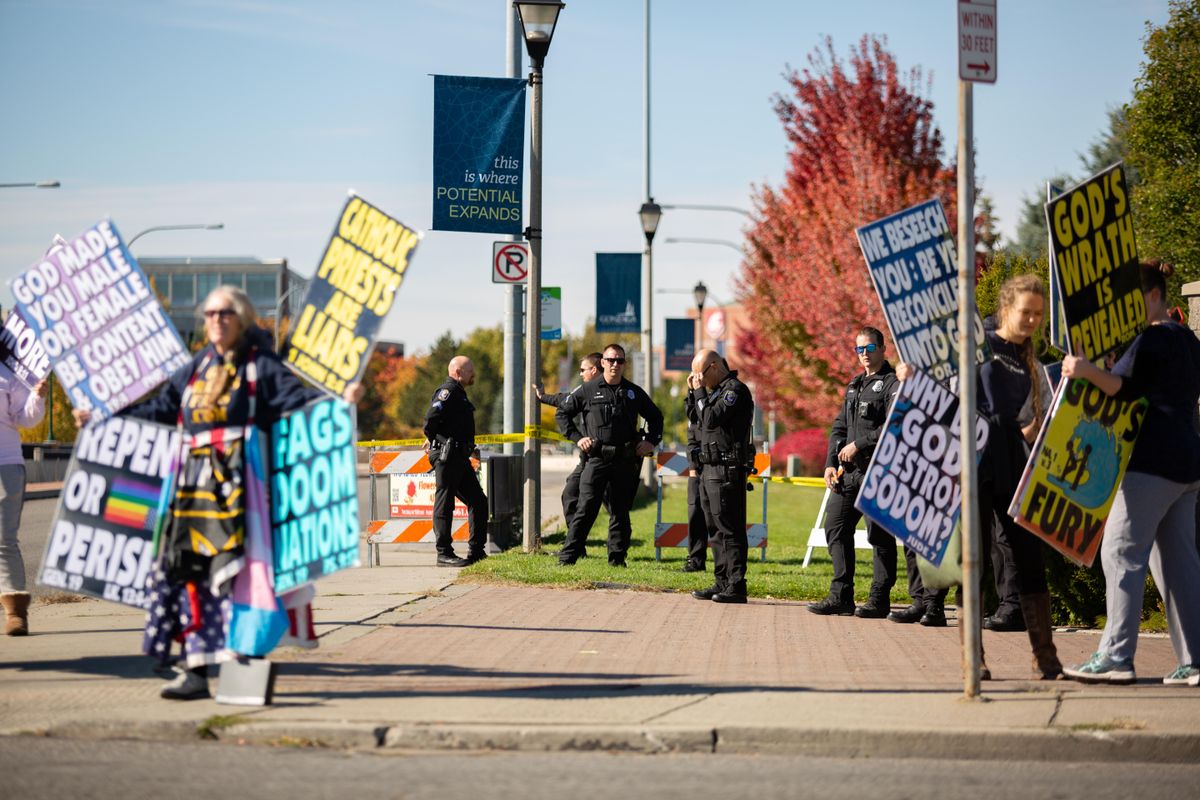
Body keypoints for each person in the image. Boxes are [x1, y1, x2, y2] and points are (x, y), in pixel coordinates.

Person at [76, 285, 363, 700]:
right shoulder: (196, 367)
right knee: (190, 578)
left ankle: (242, 675)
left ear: (241, 317)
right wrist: (103, 416)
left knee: (242, 580)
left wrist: (339, 400)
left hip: (242, 498)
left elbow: (296, 402)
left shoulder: (261, 365)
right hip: (191, 492)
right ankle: (195, 671)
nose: (215, 319)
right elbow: (162, 409)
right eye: (209, 313)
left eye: (224, 312)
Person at [1061, 260, 1200, 685]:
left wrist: (1084, 369)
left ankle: (1116, 656)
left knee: (1121, 554)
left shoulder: (1150, 338)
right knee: (1179, 564)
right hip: (1187, 465)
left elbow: (1123, 389)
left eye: (1128, 298)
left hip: (1149, 466)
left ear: (1153, 294)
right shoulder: (1189, 339)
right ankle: (1194, 661)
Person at [808, 327, 935, 620]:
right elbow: (839, 427)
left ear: (882, 349)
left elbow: (894, 423)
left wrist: (859, 444)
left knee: (880, 537)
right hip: (848, 474)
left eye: (869, 348)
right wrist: (830, 462)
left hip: (879, 472)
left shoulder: (892, 384)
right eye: (859, 349)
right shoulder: (854, 385)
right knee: (835, 529)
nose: (864, 354)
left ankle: (879, 599)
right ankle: (841, 595)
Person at [977, 273, 1061, 679]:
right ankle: (972, 659)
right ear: (1006, 308)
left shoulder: (1031, 359)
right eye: (1025, 312)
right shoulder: (980, 343)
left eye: (1038, 314)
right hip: (972, 457)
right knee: (973, 558)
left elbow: (1027, 420)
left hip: (1012, 456)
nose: (1031, 319)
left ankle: (1045, 658)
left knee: (1028, 554)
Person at [555, 344, 663, 566]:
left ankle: (617, 559)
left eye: (620, 361)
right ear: (602, 362)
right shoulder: (586, 389)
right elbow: (563, 413)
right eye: (611, 360)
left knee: (620, 511)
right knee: (586, 508)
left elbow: (656, 417)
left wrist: (650, 441)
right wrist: (577, 438)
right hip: (597, 459)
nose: (615, 364)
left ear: (624, 364)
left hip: (624, 460)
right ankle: (568, 557)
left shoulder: (633, 392)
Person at [688, 350, 754, 603]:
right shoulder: (711, 391)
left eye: (701, 374)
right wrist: (694, 392)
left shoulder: (734, 391)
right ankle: (721, 581)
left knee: (730, 528)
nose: (699, 381)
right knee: (713, 529)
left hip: (727, 469)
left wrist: (699, 393)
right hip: (709, 468)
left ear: (714, 366)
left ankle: (736, 585)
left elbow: (711, 419)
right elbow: (695, 416)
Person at [424, 356, 489, 568]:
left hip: (459, 456)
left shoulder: (459, 393)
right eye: (471, 371)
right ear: (459, 372)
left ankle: (477, 551)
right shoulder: (448, 391)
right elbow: (432, 417)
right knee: (445, 503)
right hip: (448, 455)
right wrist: (434, 438)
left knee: (478, 501)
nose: (474, 375)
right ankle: (443, 553)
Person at [533, 352, 605, 534]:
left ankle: (618, 554)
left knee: (616, 509)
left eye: (583, 370)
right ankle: (576, 546)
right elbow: (565, 400)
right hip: (588, 460)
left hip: (611, 460)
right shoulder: (584, 391)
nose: (581, 374)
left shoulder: (612, 391)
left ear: (594, 370)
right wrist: (543, 397)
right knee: (570, 495)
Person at [0, 370, 47, 636]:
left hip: (4, 464)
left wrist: (37, 399)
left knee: (4, 540)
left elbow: (27, 418)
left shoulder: (7, 373)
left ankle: (15, 611)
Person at [681, 374, 709, 573]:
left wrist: (700, 392)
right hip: (698, 469)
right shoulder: (696, 398)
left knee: (718, 517)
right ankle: (696, 560)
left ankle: (725, 564)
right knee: (695, 514)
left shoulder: (723, 395)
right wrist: (692, 467)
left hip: (719, 467)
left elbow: (710, 419)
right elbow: (692, 433)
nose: (696, 378)